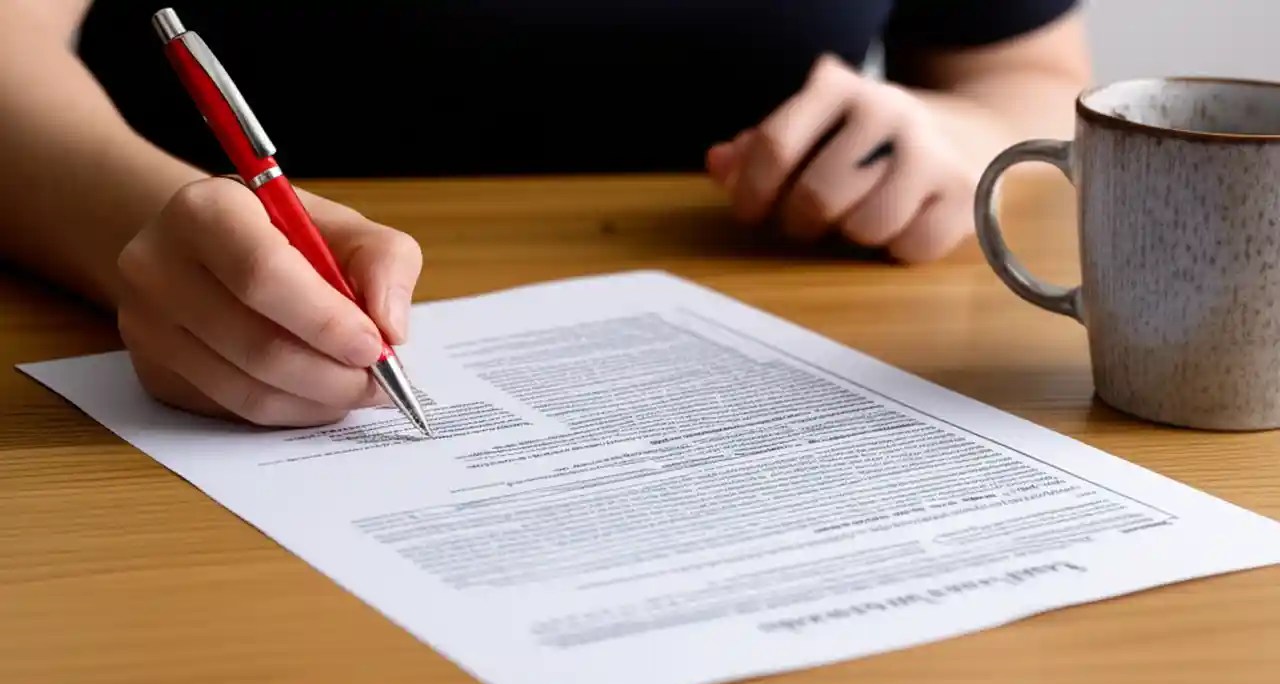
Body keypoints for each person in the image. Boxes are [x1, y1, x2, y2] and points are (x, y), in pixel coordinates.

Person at [0, 1, 1090, 428]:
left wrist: (957, 134)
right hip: (132, 351)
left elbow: (1032, 72)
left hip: (785, 296)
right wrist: (135, 223)